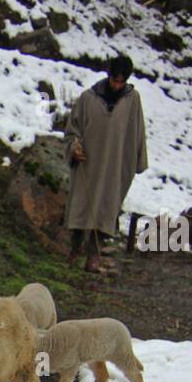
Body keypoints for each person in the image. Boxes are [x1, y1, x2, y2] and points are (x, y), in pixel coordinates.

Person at [63, 54, 148, 273]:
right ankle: (74, 248)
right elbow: (73, 130)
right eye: (114, 79)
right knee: (82, 204)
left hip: (115, 164)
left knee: (106, 209)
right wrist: (75, 147)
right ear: (108, 75)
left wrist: (137, 159)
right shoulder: (88, 98)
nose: (117, 84)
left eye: (121, 81)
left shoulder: (132, 100)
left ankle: (94, 254)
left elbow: (137, 132)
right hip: (89, 163)